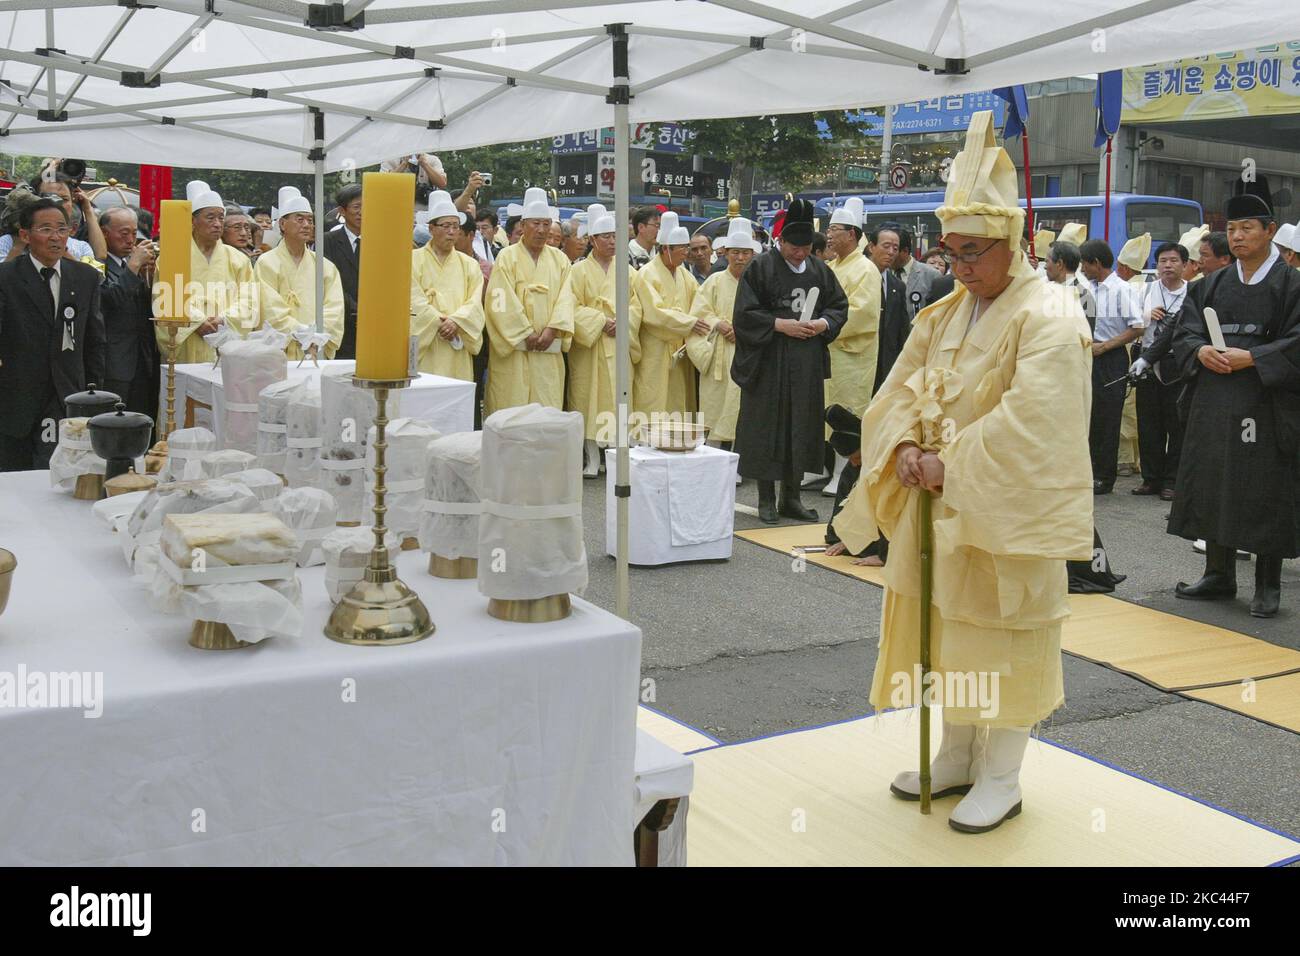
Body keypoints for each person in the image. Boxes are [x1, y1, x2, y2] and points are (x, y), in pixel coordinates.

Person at [835, 111, 1093, 833]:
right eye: (950, 252)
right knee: (944, 629)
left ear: (1010, 243)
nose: (960, 266)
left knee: (1005, 636)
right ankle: (954, 750)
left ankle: (1003, 772)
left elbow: (1037, 421)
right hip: (934, 503)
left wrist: (949, 463)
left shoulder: (1049, 313)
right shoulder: (945, 312)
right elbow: (897, 391)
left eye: (973, 251)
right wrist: (904, 451)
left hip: (1004, 512)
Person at [1168, 180, 1300, 619]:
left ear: (1270, 231)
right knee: (1213, 481)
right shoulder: (1211, 284)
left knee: (1265, 489)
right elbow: (1185, 331)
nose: (1239, 236)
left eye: (1249, 228)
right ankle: (1219, 574)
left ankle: (1267, 584)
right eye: (1234, 228)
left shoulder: (1291, 285)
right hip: (1215, 398)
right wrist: (1200, 350)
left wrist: (1255, 357)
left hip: (1266, 401)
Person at [732, 198, 848, 524]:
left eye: (805, 247)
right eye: (794, 247)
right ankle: (766, 497)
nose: (799, 253)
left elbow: (838, 306)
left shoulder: (819, 270)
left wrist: (822, 324)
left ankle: (792, 497)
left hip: (805, 361)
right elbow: (744, 314)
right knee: (768, 427)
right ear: (781, 241)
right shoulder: (761, 267)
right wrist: (779, 324)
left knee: (800, 427)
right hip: (769, 360)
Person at [0, 196, 107, 470]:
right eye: (45, 229)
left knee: (61, 472)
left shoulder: (85, 277)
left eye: (62, 228)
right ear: (25, 235)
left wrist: (91, 392)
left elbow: (94, 341)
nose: (55, 237)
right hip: (17, 396)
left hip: (67, 394)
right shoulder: (7, 277)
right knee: (16, 477)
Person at [555, 207, 639, 476]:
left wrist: (623, 320)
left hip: (618, 342)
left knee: (618, 398)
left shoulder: (627, 271)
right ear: (592, 240)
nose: (612, 241)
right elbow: (570, 305)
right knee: (587, 398)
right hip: (590, 345)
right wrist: (601, 320)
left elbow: (637, 305)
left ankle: (614, 457)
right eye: (605, 237)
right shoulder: (577, 271)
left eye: (615, 236)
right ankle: (591, 456)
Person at [483, 188, 572, 414]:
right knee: (512, 410)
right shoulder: (507, 257)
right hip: (516, 348)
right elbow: (498, 299)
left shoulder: (560, 259)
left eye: (546, 224)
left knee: (546, 411)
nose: (542, 230)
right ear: (523, 225)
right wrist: (525, 332)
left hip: (547, 349)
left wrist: (552, 330)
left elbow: (566, 299)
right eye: (536, 224)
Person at [155, 182, 259, 364]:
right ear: (193, 221)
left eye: (221, 218)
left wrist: (223, 319)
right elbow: (165, 299)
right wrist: (197, 321)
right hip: (188, 340)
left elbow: (250, 300)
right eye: (210, 218)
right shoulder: (172, 256)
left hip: (226, 339)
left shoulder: (238, 259)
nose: (217, 224)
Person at [824, 197, 882, 496]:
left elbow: (862, 313)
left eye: (835, 230)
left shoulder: (866, 269)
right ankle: (821, 469)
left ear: (852, 234)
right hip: (827, 351)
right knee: (823, 411)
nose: (829, 235)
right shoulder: (831, 265)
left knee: (845, 413)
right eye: (829, 229)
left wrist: (826, 326)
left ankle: (841, 471)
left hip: (850, 354)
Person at [685, 218, 755, 452]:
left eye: (746, 253)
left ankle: (739, 459)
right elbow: (699, 312)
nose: (741, 258)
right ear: (725, 253)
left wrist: (744, 331)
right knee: (715, 406)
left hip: (748, 354)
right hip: (718, 352)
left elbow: (767, 315)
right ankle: (711, 453)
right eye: (736, 252)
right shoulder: (714, 281)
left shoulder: (758, 281)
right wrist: (718, 323)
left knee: (742, 407)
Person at [1079, 238, 1143, 494]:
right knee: (1089, 416)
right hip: (1088, 355)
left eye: (1085, 263)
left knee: (1107, 419)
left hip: (1110, 357)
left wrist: (1105, 347)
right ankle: (1089, 471)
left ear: (1096, 263)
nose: (1082, 268)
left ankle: (1105, 477)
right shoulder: (1088, 289)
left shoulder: (1122, 289)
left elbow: (1137, 327)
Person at [1129, 242, 1189, 500]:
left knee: (1175, 425)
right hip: (1148, 362)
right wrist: (1146, 315)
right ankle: (1150, 478)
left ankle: (1171, 481)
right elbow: (1131, 322)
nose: (1167, 265)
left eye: (1174, 260)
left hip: (1178, 365)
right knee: (1148, 423)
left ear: (1185, 265)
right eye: (1163, 260)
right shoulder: (1145, 290)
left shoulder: (1192, 293)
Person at [255, 191, 345, 359]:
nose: (306, 225)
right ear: (282, 224)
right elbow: (268, 307)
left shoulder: (324, 266)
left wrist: (317, 334)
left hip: (316, 346)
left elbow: (335, 308)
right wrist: (300, 331)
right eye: (300, 219)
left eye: (310, 220)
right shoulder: (266, 262)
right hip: (280, 348)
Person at [408, 191, 485, 384]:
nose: (452, 232)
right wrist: (438, 321)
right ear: (431, 228)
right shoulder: (412, 261)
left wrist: (457, 322)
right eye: (446, 226)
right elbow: (413, 299)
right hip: (427, 343)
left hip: (456, 340)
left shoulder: (469, 264)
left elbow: (475, 302)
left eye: (456, 226)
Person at [630, 211, 699, 425]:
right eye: (682, 248)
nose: (686, 253)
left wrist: (698, 322)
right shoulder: (647, 274)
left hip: (680, 349)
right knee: (653, 398)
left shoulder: (686, 275)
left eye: (686, 247)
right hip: (656, 348)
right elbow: (654, 314)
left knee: (678, 400)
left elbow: (699, 305)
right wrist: (690, 323)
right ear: (666, 249)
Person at [99, 206, 159, 421]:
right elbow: (109, 300)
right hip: (114, 360)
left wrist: (148, 277)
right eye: (123, 233)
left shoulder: (131, 265)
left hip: (141, 358)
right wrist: (133, 266)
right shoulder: (97, 263)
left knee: (139, 420)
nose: (130, 240)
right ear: (105, 233)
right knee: (113, 421)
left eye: (134, 234)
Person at [1, 175, 104, 264]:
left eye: (64, 199)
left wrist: (88, 210)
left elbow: (91, 276)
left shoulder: (81, 248)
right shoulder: (8, 242)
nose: (56, 204)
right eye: (49, 197)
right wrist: (21, 242)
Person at [322, 183, 361, 359]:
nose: (362, 212)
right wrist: (354, 308)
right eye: (357, 207)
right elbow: (327, 281)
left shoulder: (380, 241)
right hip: (340, 319)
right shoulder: (328, 241)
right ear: (342, 211)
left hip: (373, 322)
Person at [891, 225, 939, 318]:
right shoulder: (882, 273)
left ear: (905, 251)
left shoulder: (931, 275)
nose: (888, 254)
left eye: (894, 250)